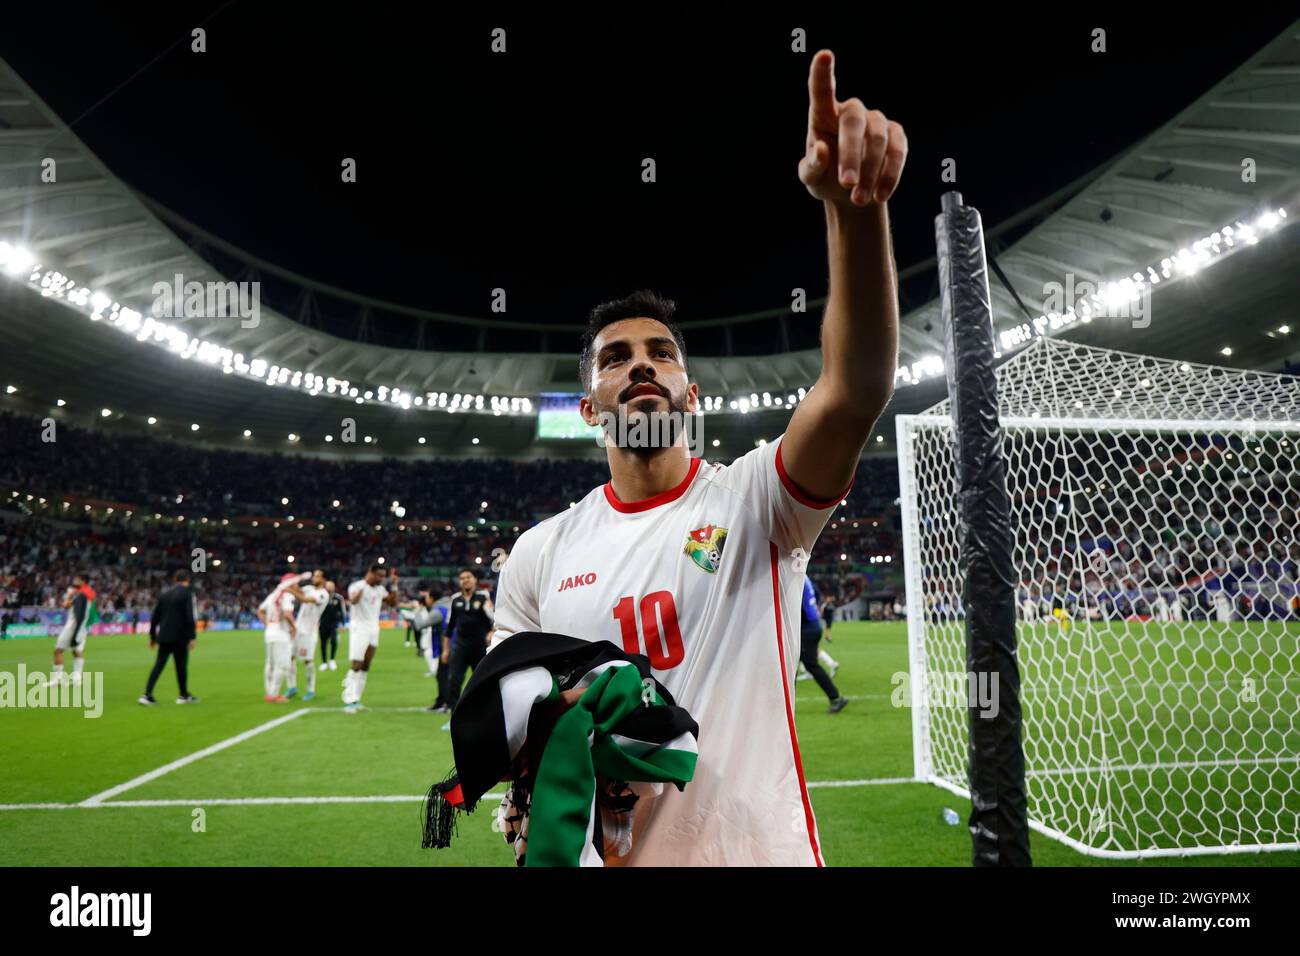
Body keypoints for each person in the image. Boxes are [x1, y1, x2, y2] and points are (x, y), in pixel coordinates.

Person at [489, 49, 903, 866]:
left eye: (661, 353)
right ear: (588, 409)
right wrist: (534, 761)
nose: (640, 364)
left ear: (691, 394)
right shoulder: (540, 553)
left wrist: (853, 213)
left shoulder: (755, 504)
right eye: (615, 359)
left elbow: (855, 389)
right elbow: (510, 712)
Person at [344, 564, 399, 714]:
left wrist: (394, 585)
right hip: (359, 628)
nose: (381, 578)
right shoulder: (357, 586)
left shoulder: (380, 590)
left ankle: (357, 699)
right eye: (379, 575)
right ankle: (349, 700)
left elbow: (393, 603)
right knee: (356, 663)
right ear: (370, 573)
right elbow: (353, 601)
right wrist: (364, 587)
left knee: (366, 665)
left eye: (383, 576)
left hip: (374, 628)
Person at [139, 569, 198, 705]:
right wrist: (192, 636)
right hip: (180, 636)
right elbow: (189, 616)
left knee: (158, 665)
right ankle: (183, 696)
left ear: (175, 579)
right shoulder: (187, 593)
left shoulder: (164, 594)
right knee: (181, 666)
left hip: (164, 636)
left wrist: (153, 637)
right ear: (187, 580)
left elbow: (155, 618)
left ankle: (147, 694)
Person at [442, 568, 494, 713]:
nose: (465, 580)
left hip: (480, 647)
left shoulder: (483, 597)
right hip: (460, 646)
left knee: (481, 682)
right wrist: (446, 649)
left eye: (468, 577)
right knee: (454, 681)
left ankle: (482, 713)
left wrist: (491, 632)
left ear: (475, 580)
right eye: (462, 578)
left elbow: (495, 620)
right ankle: (454, 715)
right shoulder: (455, 599)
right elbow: (449, 627)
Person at [799, 577, 847, 712]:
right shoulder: (805, 577)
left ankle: (836, 698)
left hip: (806, 629)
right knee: (798, 665)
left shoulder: (794, 578)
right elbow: (817, 594)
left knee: (810, 665)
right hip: (813, 626)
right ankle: (784, 705)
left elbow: (798, 606)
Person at [258, 572, 306, 703]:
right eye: (295, 583)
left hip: (270, 632)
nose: (297, 585)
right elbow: (287, 613)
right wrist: (294, 627)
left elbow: (260, 611)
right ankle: (274, 695)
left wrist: (268, 624)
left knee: (270, 664)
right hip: (281, 634)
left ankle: (269, 692)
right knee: (282, 665)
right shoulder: (287, 595)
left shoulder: (273, 595)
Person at [286, 569, 327, 701]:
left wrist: (289, 590)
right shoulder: (309, 588)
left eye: (317, 576)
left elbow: (304, 599)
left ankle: (311, 690)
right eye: (314, 576)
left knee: (307, 661)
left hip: (308, 632)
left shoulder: (323, 595)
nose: (314, 578)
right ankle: (292, 687)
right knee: (289, 657)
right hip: (298, 629)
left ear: (323, 579)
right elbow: (299, 590)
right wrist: (292, 583)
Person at [51, 573, 96, 687]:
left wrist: (70, 596)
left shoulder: (80, 593)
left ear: (82, 581)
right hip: (82, 627)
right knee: (76, 651)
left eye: (77, 579)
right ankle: (77, 679)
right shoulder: (89, 592)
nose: (74, 580)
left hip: (73, 625)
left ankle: (57, 680)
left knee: (58, 650)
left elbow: (66, 605)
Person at [318, 580, 344, 670]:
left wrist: (342, 624)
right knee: (323, 643)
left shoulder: (339, 598)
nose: (329, 588)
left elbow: (342, 611)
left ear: (334, 587)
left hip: (334, 624)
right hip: (323, 624)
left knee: (334, 641)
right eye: (328, 586)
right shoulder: (321, 597)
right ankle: (324, 662)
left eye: (331, 586)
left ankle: (332, 660)